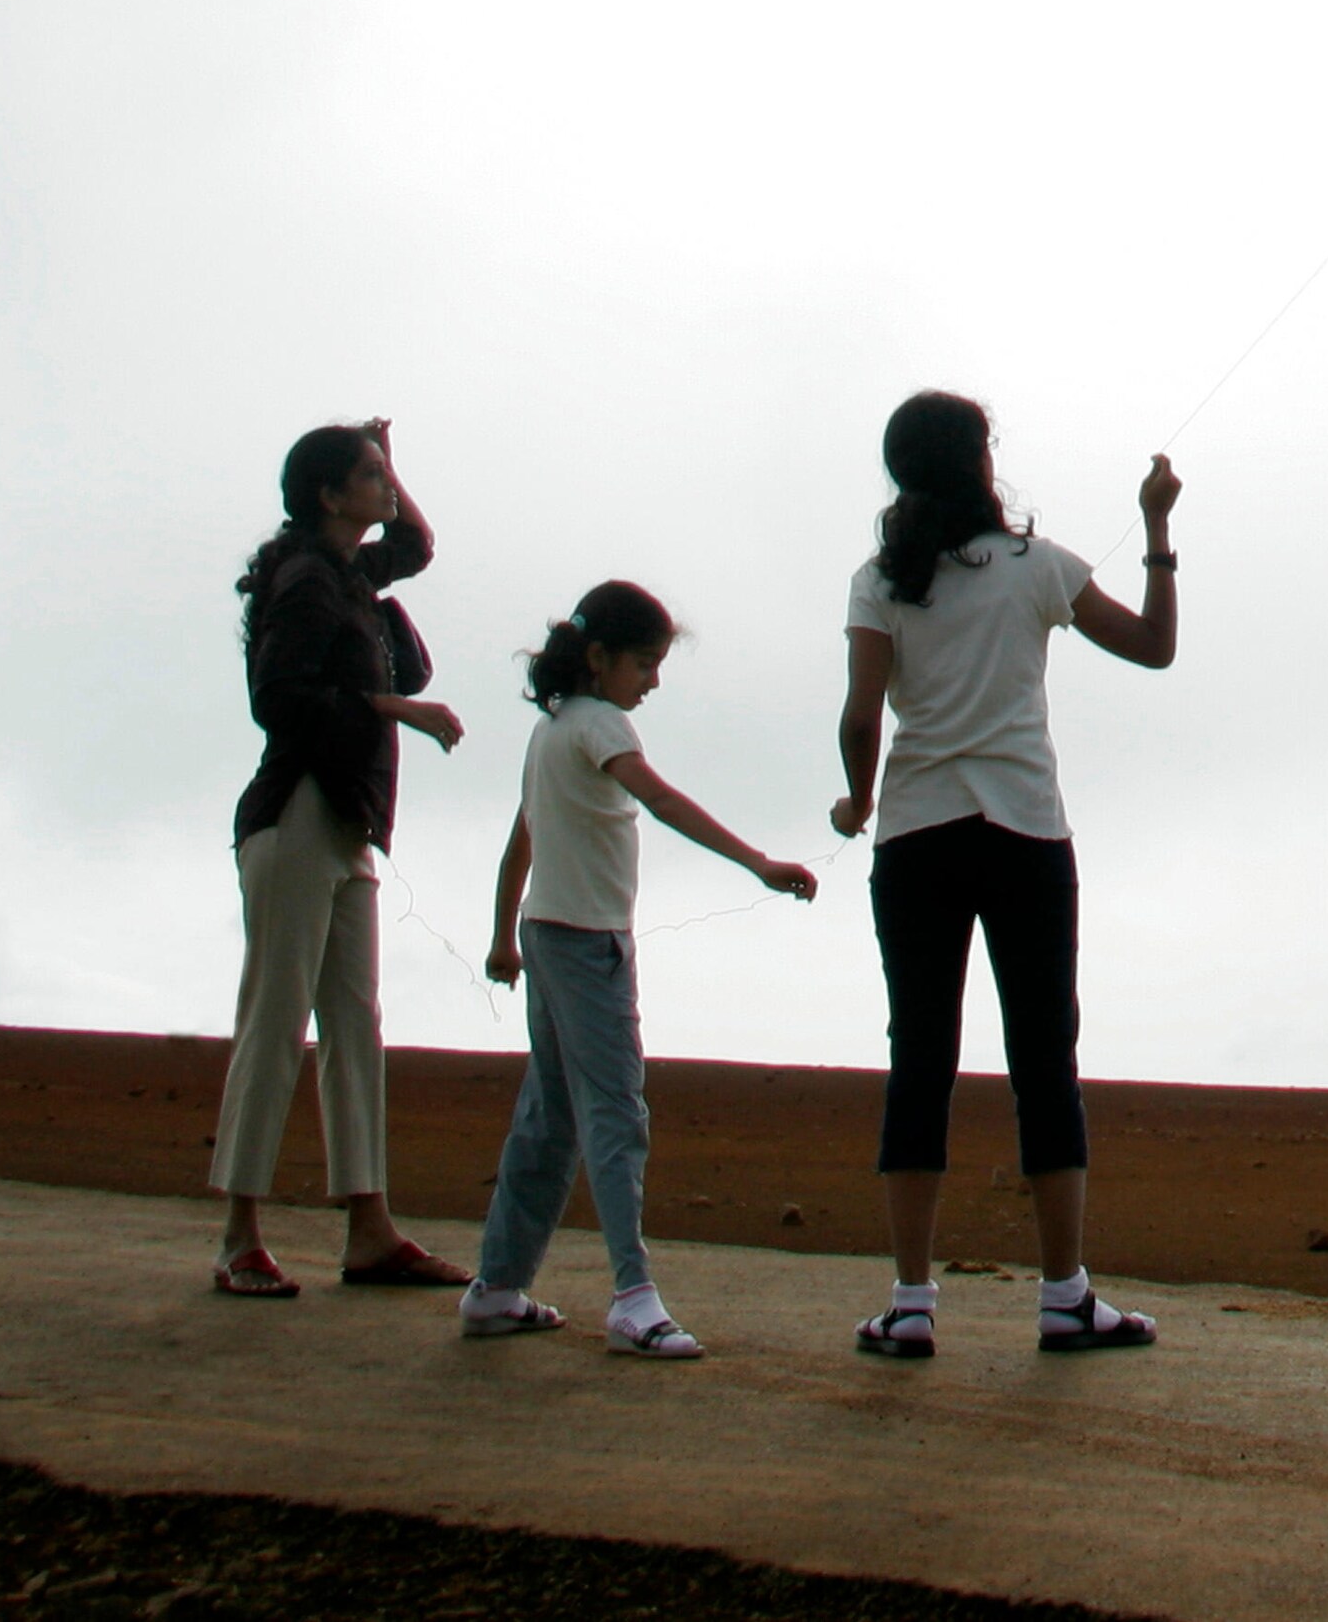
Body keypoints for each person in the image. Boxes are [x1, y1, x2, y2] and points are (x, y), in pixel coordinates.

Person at [834, 392, 1181, 1358]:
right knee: (1043, 1058)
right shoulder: (1038, 567)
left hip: (916, 834)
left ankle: (911, 1303)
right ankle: (1065, 1294)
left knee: (921, 1059)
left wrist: (857, 798)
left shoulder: (880, 579)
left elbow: (863, 715)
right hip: (1025, 830)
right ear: (980, 462)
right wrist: (1157, 528)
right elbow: (1155, 647)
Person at [463, 580, 820, 1358]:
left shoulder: (551, 728)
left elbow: (521, 840)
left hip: (548, 934)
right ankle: (632, 1294)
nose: (653, 679)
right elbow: (656, 798)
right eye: (645, 662)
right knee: (614, 1113)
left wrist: (503, 936)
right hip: (585, 946)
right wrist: (755, 859)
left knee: (550, 1118)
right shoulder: (598, 724)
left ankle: (496, 1285)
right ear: (600, 659)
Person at [211, 418, 472, 1299]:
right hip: (298, 812)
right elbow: (279, 699)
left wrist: (391, 460)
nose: (385, 486)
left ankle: (370, 1230)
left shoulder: (348, 572)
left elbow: (417, 543)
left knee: (354, 1025)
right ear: (328, 495)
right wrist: (401, 708)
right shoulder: (308, 580)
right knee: (277, 1018)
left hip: (346, 822)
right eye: (367, 475)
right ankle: (240, 1232)